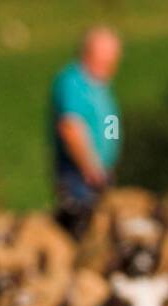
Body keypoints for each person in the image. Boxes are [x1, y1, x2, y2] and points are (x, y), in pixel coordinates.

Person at [51, 27, 122, 237]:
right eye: (110, 55)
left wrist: (110, 159)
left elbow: (110, 121)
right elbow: (70, 127)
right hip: (81, 176)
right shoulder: (74, 82)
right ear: (92, 53)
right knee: (84, 231)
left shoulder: (100, 85)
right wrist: (91, 167)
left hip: (101, 173)